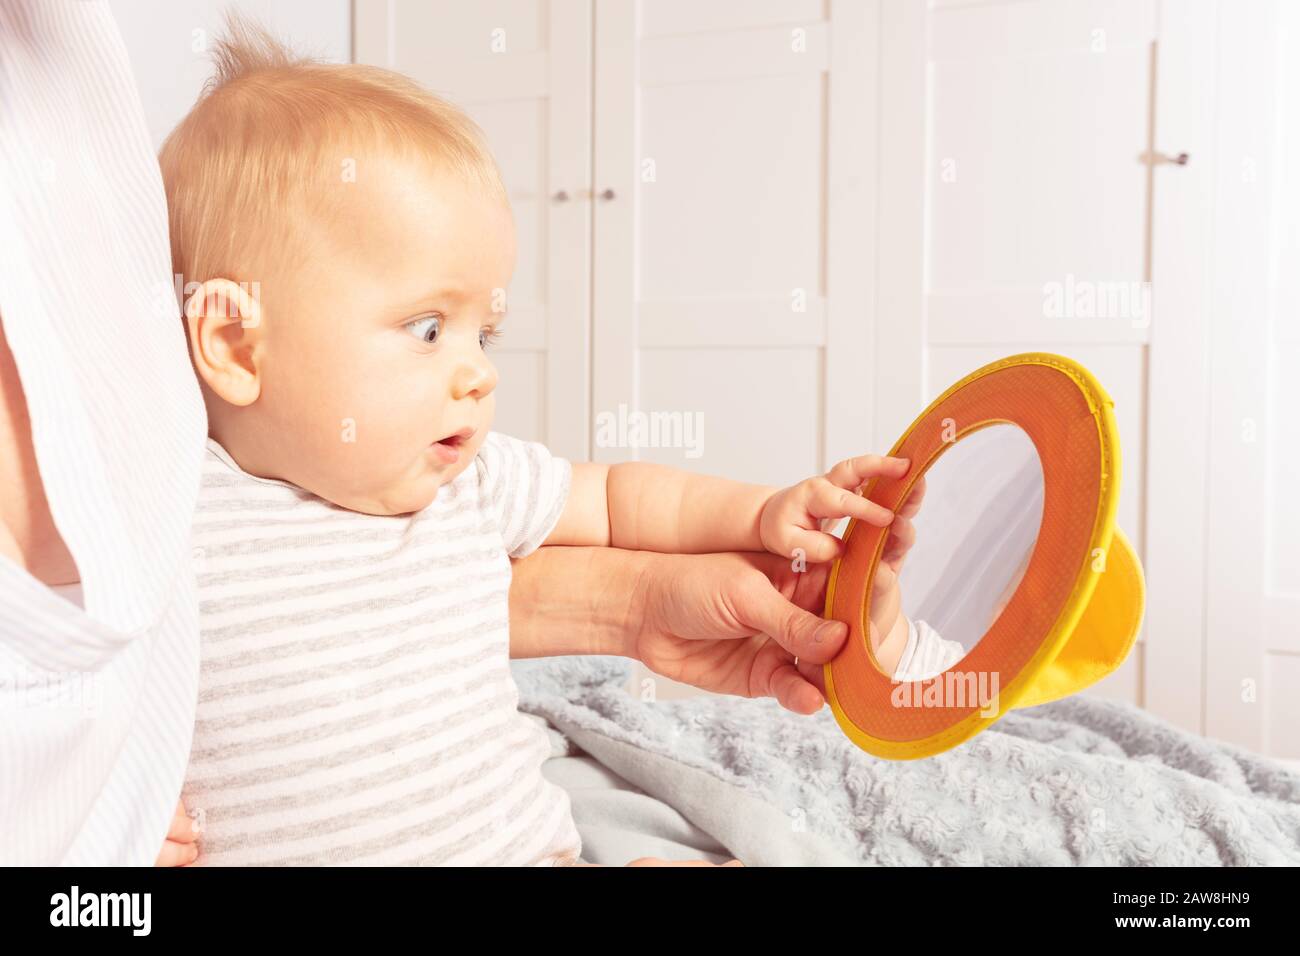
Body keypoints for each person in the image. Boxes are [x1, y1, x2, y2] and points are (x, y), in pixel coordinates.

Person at [0, 0, 909, 866]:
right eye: (428, 329)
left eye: (486, 331)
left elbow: (621, 497)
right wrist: (112, 811)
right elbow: (69, 705)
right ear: (237, 342)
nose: (479, 371)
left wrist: (764, 516)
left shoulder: (465, 483)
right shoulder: (168, 510)